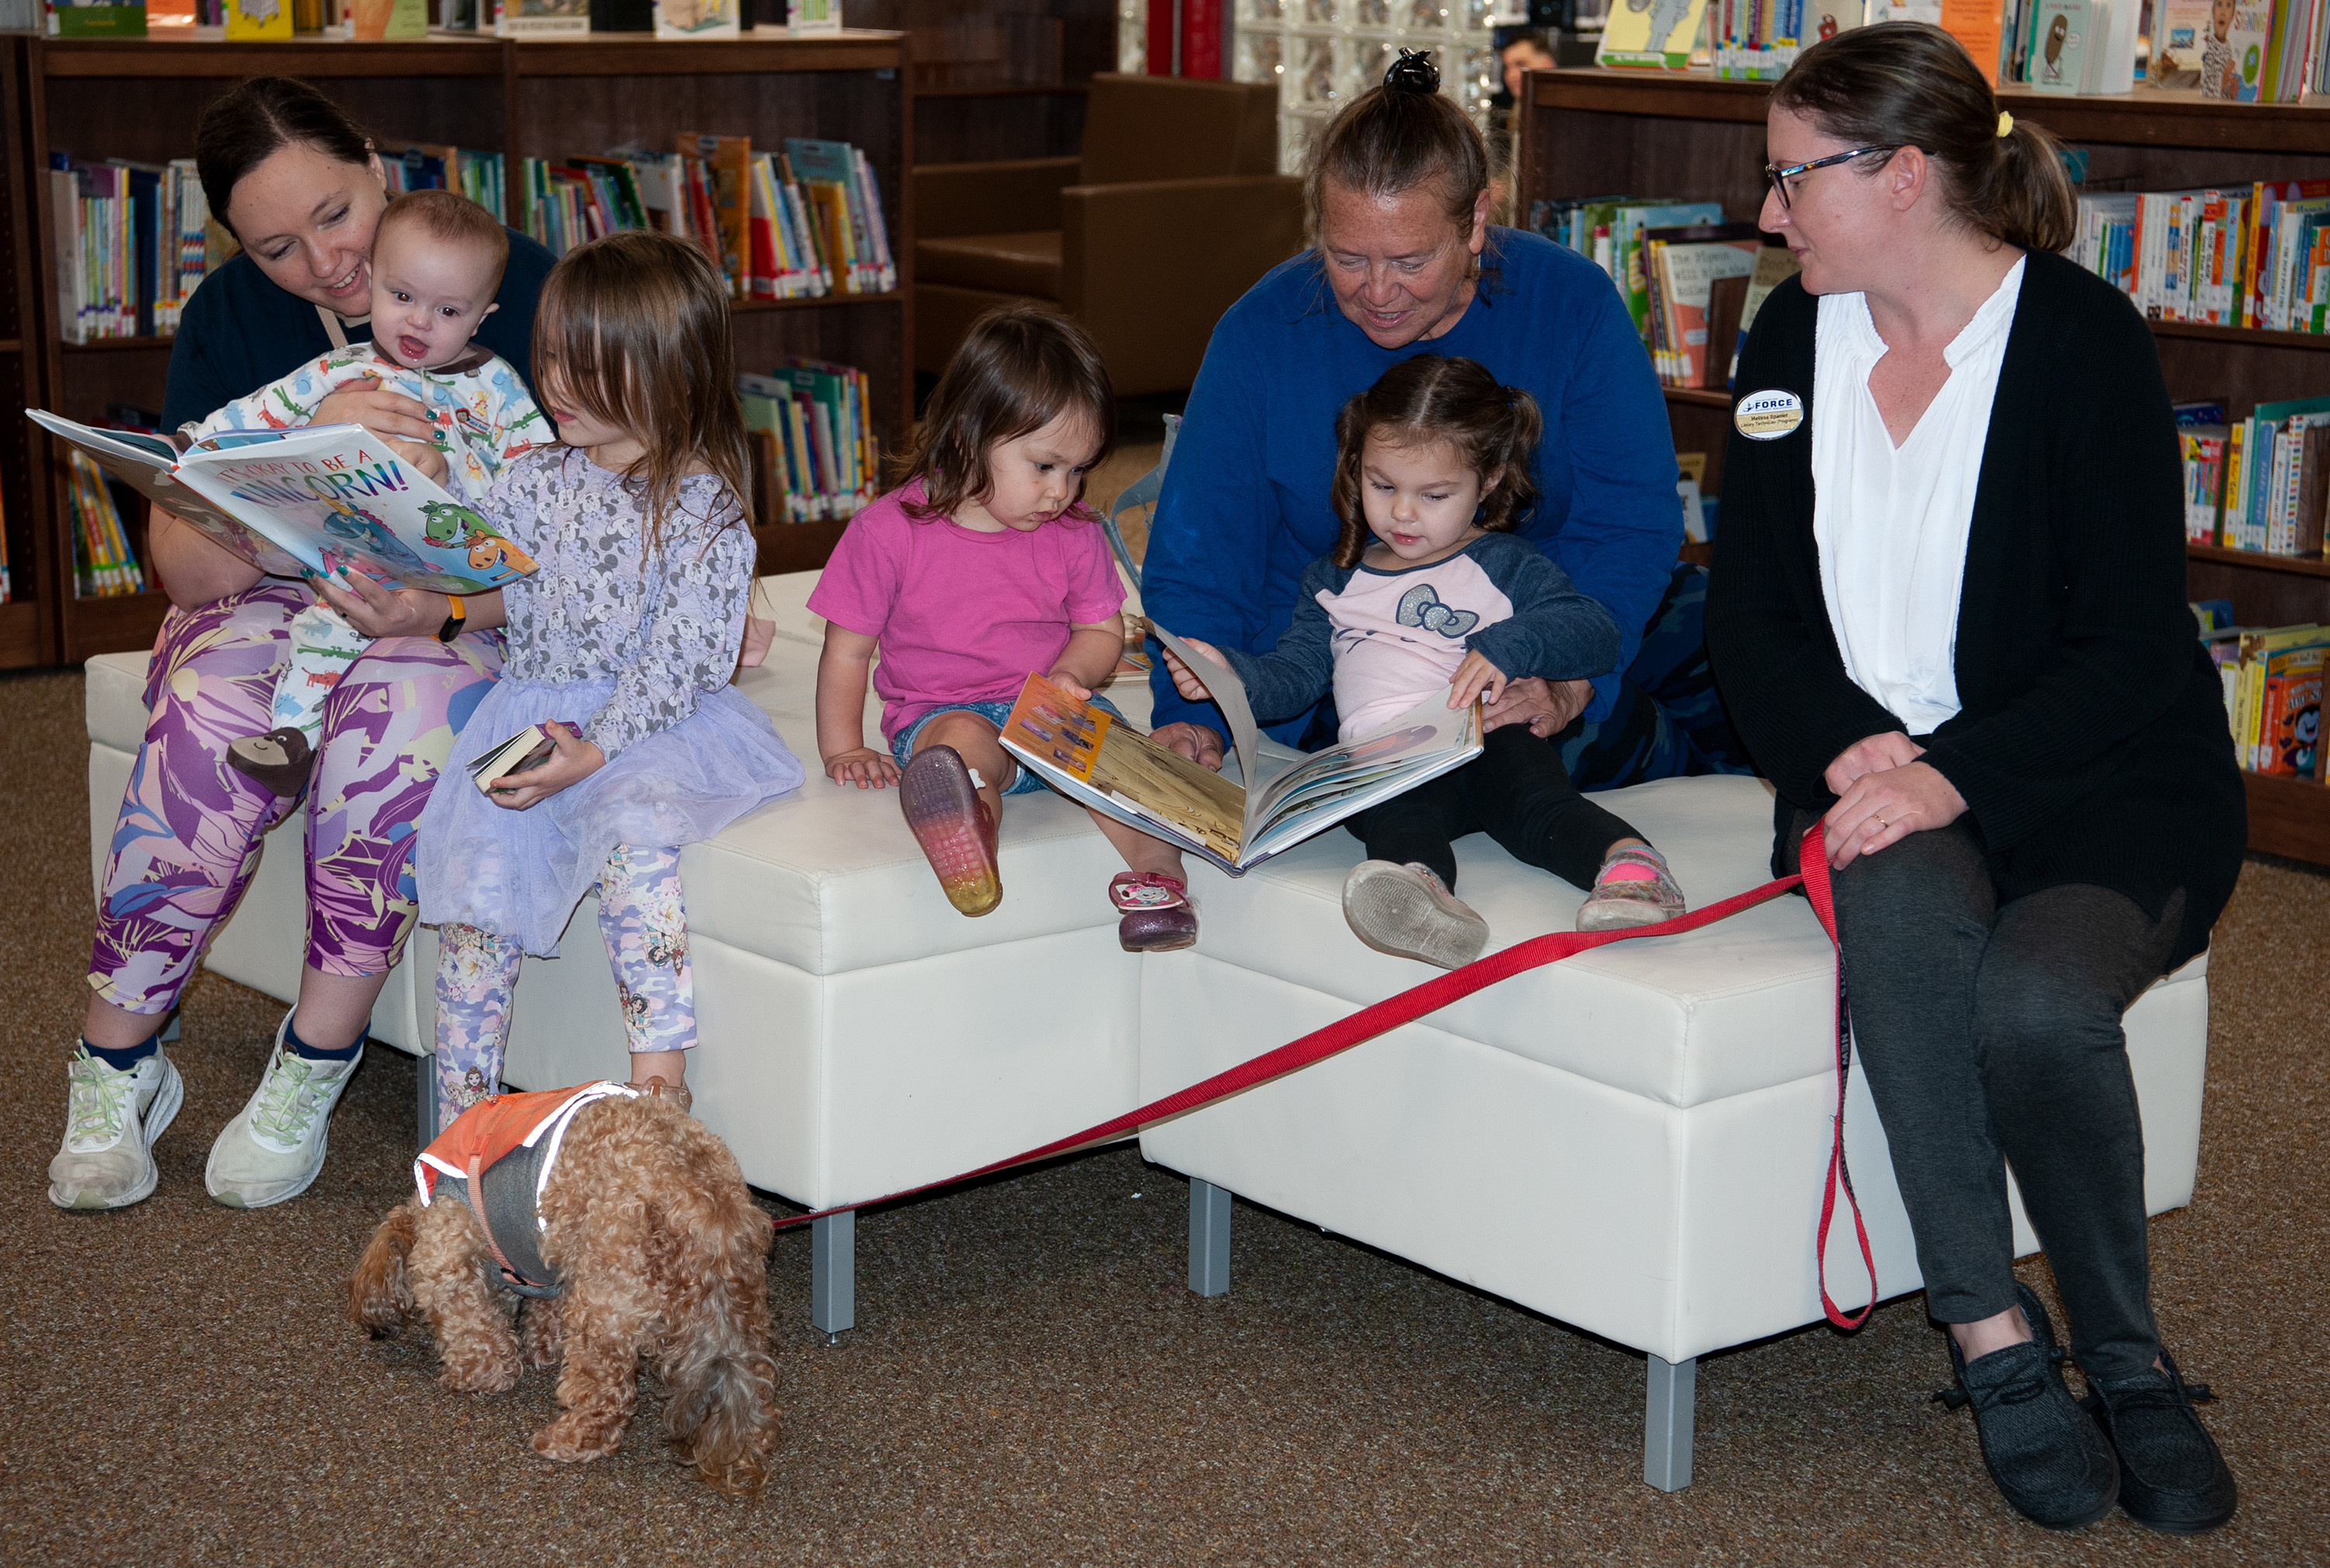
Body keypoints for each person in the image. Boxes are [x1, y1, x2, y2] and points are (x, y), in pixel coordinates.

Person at [1706, 23, 2243, 1536]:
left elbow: (2135, 645)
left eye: (1792, 178)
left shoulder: (2082, 341)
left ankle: (2127, 1358)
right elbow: (1746, 607)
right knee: (1900, 915)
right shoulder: (1782, 341)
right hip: (1874, 769)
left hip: (2101, 779)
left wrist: (1951, 771)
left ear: (1905, 175)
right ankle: (1992, 1335)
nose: (1768, 213)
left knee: (2034, 1001)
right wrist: (1847, 749)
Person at [49, 77, 555, 1214]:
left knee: (394, 743)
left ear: (375, 162)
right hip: (280, 594)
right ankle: (117, 1061)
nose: (324, 265)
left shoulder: (511, 285)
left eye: (336, 216)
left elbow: (590, 534)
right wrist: (306, 475)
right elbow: (185, 570)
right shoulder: (232, 317)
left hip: (451, 611)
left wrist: (448, 608)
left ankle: (312, 1061)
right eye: (278, 245)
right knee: (211, 728)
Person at [1141, 50, 1747, 815]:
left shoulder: (1572, 303)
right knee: (1541, 749)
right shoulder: (1262, 332)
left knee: (1736, 648)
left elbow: (1629, 521)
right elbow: (1200, 552)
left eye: (1410, 259)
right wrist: (1195, 716)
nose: (1377, 291)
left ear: (1476, 221)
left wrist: (1575, 675)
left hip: (1554, 604)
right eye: (1345, 256)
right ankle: (1664, 776)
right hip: (1362, 645)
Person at [414, 231, 803, 1127]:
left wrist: (592, 753)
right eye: (551, 357)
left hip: (649, 727)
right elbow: (472, 564)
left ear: (671, 373)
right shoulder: (532, 477)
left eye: (591, 368)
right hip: (531, 708)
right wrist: (415, 508)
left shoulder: (700, 501)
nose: (557, 385)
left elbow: (680, 660)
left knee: (634, 846)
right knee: (473, 890)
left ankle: (658, 1095)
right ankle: (463, 1125)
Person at [1163, 355, 1686, 969]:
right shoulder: (1331, 579)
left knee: (1534, 805)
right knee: (1388, 818)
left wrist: (1512, 643)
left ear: (1488, 482)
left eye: (1434, 495)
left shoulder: (1505, 564)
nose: (1403, 513)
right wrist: (1226, 674)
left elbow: (1595, 632)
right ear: (1356, 468)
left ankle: (1634, 869)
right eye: (1383, 486)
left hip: (1487, 736)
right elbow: (1295, 678)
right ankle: (1426, 897)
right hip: (1387, 762)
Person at [810, 305, 1198, 953]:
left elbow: (1101, 629)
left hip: (1048, 706)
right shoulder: (888, 530)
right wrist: (841, 747)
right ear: (967, 435)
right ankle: (970, 833)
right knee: (962, 752)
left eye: (1078, 470)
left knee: (1113, 766)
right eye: (1045, 466)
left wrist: (1073, 673)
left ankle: (1160, 875)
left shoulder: (1074, 531)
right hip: (941, 710)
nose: (1061, 491)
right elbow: (847, 650)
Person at [184, 189, 552, 796]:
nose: (418, 322)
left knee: (526, 646)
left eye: (448, 311)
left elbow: (540, 474)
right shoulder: (344, 369)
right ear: (375, 281)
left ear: (483, 316)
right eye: (402, 296)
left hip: (466, 567)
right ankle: (292, 738)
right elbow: (265, 410)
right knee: (325, 627)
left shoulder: (499, 389)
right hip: (370, 558)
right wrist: (198, 439)